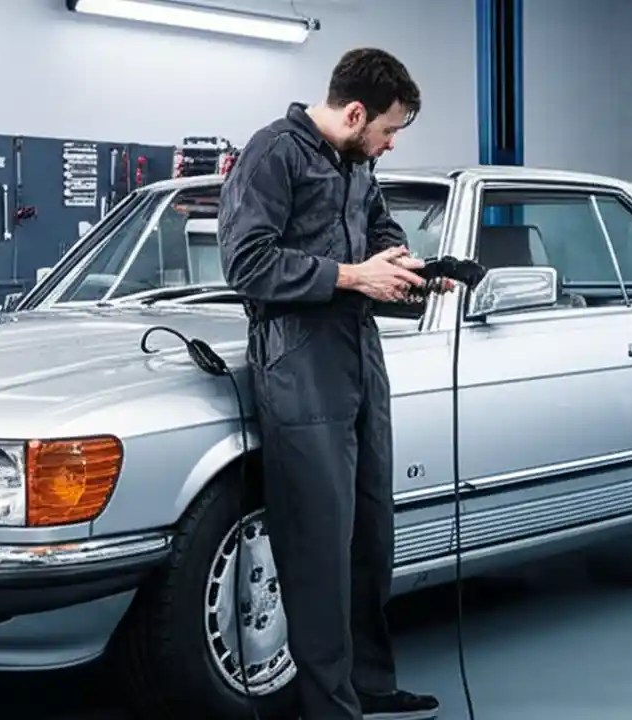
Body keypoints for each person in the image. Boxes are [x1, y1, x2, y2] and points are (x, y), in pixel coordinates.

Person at [218, 48, 446, 720]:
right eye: (389, 128)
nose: (391, 141)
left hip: (357, 352)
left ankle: (371, 685)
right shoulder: (273, 154)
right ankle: (328, 707)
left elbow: (380, 236)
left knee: (370, 533)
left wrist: (414, 267)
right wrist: (352, 277)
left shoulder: (357, 165)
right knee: (318, 540)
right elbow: (247, 262)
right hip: (298, 358)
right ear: (355, 112)